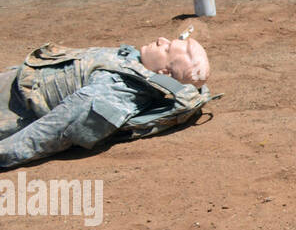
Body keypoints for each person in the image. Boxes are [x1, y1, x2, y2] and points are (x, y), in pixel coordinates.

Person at [0, 35, 214, 170]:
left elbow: (52, 131)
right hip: (14, 83)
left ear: (164, 72)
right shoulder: (133, 64)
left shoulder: (116, 94)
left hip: (10, 109)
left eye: (167, 50)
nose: (161, 40)